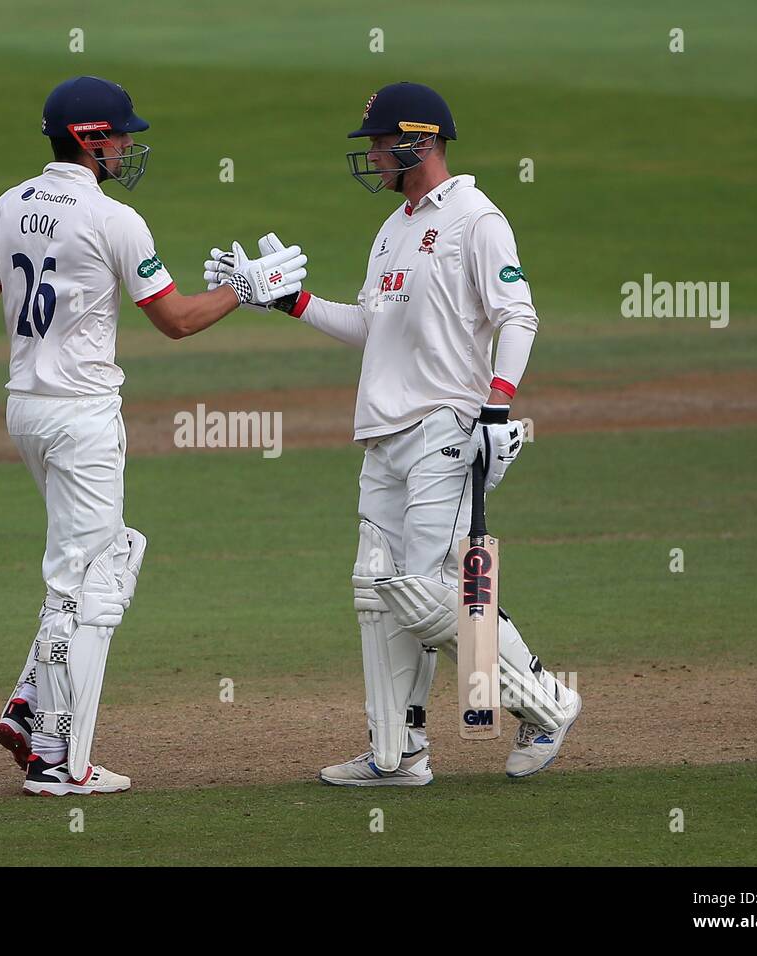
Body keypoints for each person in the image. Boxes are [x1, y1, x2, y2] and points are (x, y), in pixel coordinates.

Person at [0, 75, 306, 796]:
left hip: (26, 411)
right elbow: (177, 319)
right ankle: (59, 762)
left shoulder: (9, 206)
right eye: (120, 134)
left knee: (112, 555)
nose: (129, 145)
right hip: (83, 417)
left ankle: (31, 709)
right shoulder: (113, 218)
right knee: (85, 589)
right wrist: (247, 290)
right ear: (90, 139)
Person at [206, 82, 580, 784]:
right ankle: (397, 752)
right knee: (376, 588)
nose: (372, 156)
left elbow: (518, 316)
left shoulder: (477, 218)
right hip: (383, 433)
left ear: (420, 142)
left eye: (379, 144)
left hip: (447, 423)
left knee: (419, 587)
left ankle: (545, 700)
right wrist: (287, 300)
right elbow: (371, 328)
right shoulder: (395, 227)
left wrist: (497, 409)